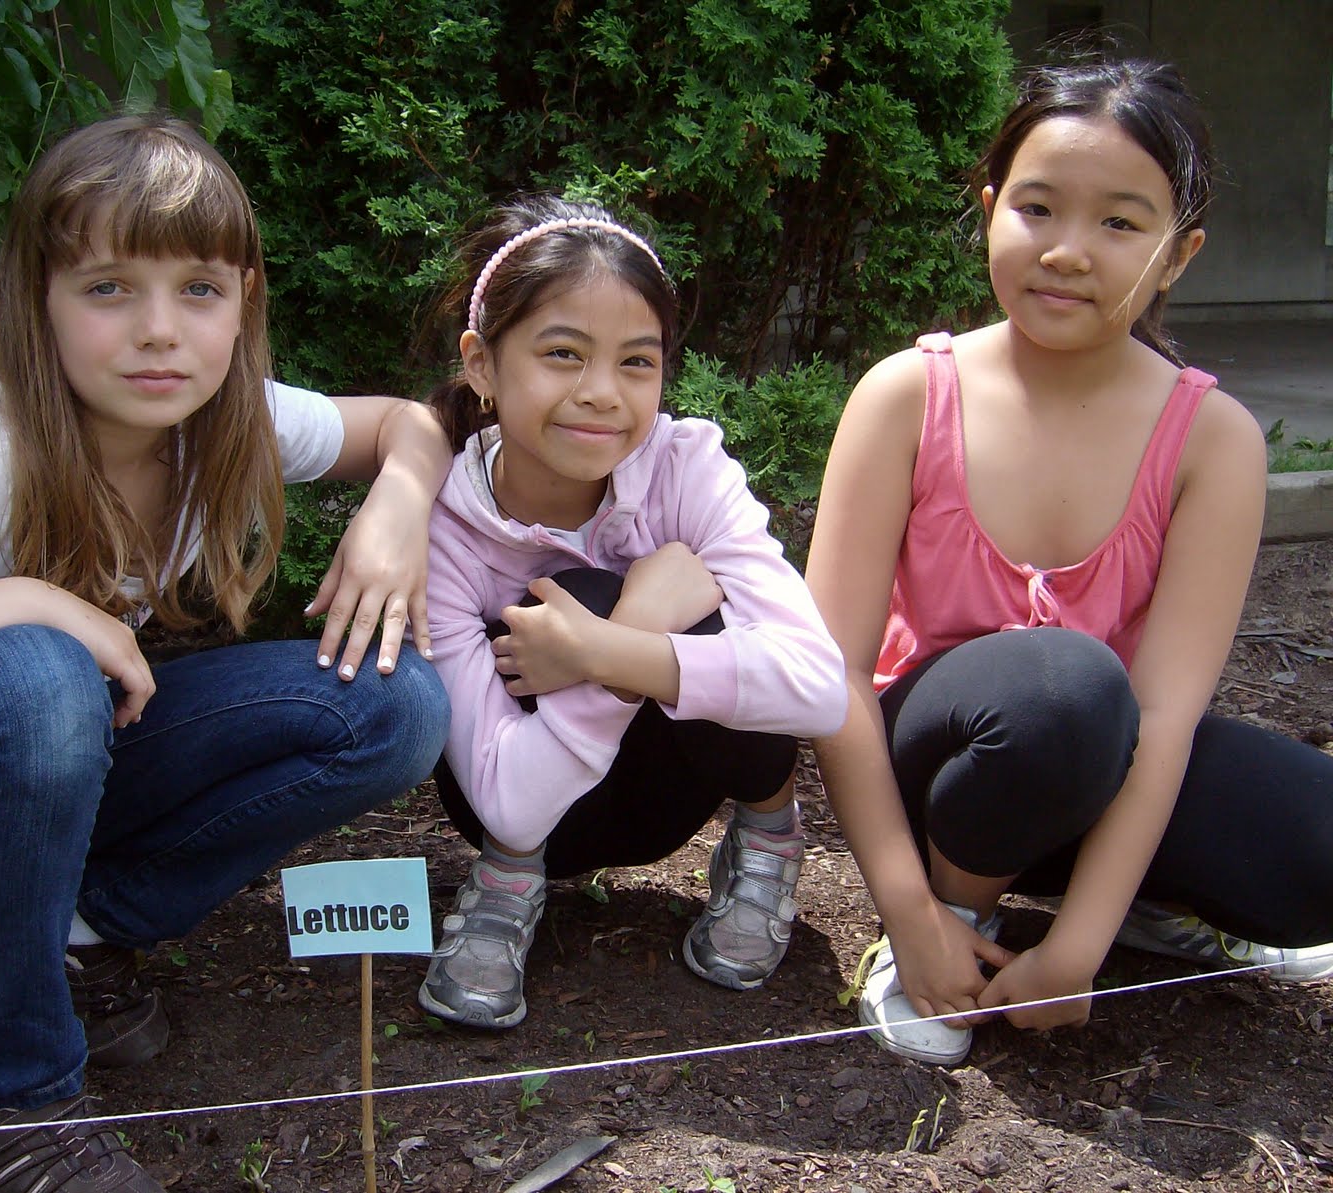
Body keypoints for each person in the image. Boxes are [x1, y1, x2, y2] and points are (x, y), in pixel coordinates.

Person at [0, 115, 451, 1192]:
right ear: (41, 302)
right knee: (33, 662)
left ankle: (74, 930)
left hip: (67, 759)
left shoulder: (228, 416)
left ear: (242, 300)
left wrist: (398, 503)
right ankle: (20, 1104)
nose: (159, 332)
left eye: (198, 290)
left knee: (393, 706)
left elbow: (409, 422)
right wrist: (19, 597)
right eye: (109, 287)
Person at [807, 58, 1333, 1067]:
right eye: (1037, 207)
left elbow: (1167, 715)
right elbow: (829, 673)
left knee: (1313, 838)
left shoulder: (1212, 440)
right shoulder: (906, 396)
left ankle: (1128, 906)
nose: (1065, 251)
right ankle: (952, 924)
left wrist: (1078, 946)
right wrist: (909, 906)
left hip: (1106, 760)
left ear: (1177, 257)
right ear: (989, 205)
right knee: (1061, 689)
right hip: (946, 773)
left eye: (1119, 224)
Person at [414, 196, 848, 1030]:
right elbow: (503, 799)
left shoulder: (687, 468)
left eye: (637, 362)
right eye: (563, 354)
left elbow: (819, 687)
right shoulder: (444, 523)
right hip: (528, 818)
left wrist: (607, 648)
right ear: (481, 362)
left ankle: (766, 837)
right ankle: (506, 883)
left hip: (672, 790)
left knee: (645, 608)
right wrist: (631, 622)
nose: (602, 394)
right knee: (607, 592)